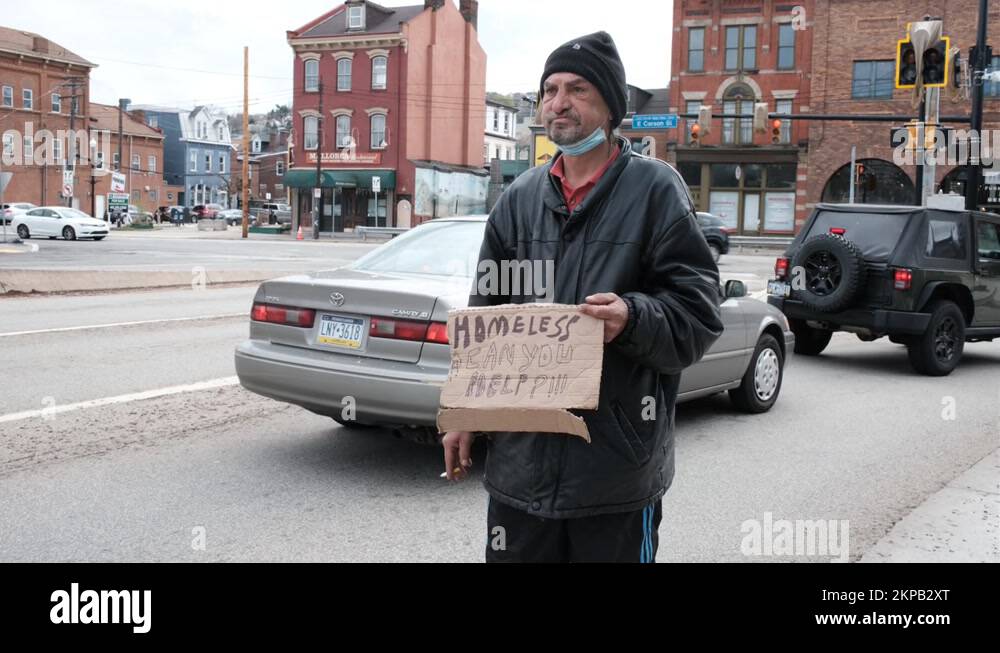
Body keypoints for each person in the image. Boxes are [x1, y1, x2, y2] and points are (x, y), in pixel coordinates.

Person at [441, 31, 723, 563]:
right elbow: (487, 317)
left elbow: (699, 316)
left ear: (611, 107)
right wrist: (462, 409)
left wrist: (632, 318)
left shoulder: (656, 192)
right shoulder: (518, 199)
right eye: (549, 90)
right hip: (519, 473)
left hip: (612, 475)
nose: (558, 103)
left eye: (577, 89)